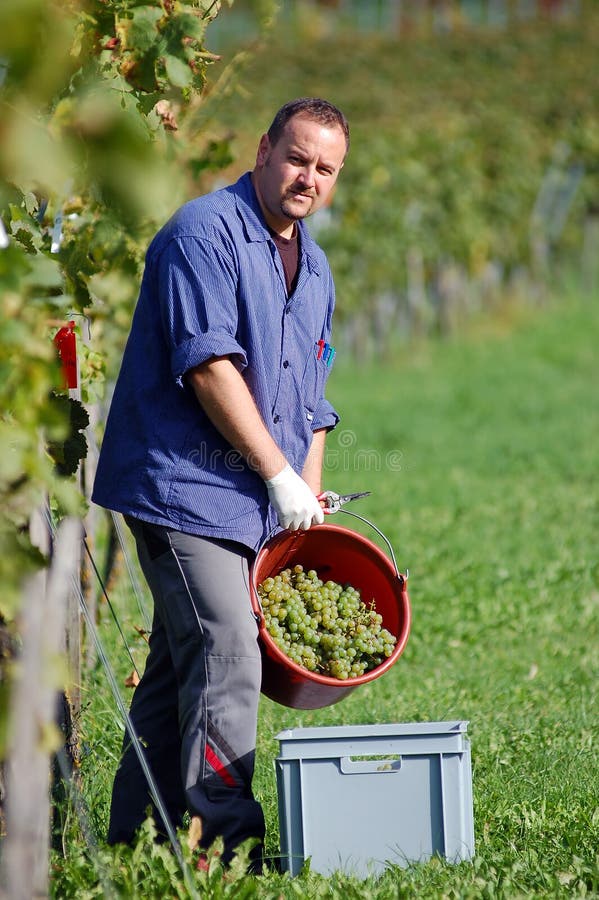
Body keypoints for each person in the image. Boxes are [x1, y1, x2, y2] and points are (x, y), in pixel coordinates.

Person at [92, 97, 349, 868]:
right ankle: (224, 853)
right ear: (264, 149)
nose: (308, 177)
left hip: (253, 499)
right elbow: (209, 367)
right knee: (230, 648)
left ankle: (134, 845)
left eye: (325, 169)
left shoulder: (316, 264)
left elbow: (311, 400)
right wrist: (276, 478)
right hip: (181, 488)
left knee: (181, 670)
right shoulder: (201, 234)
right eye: (297, 157)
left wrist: (304, 503)